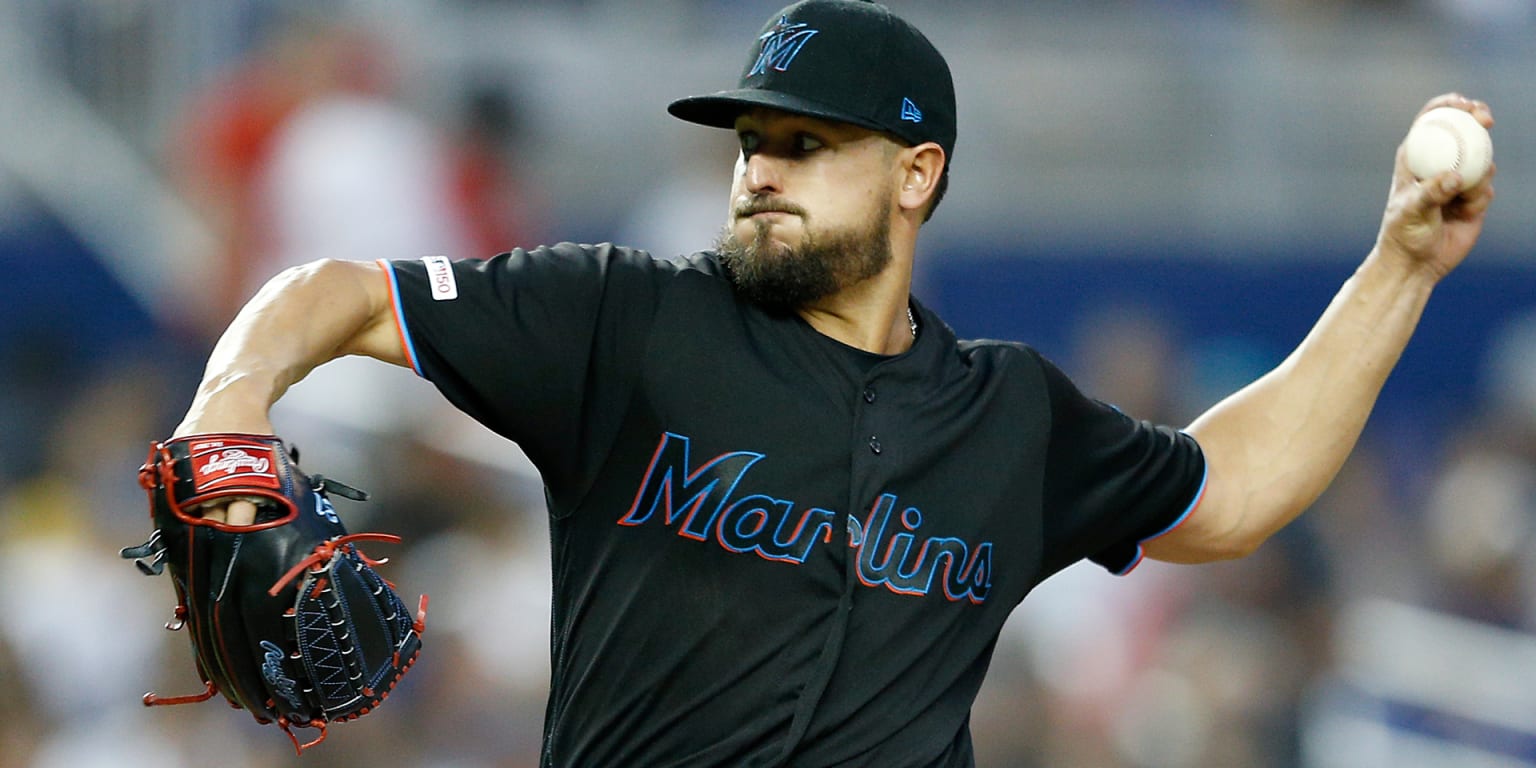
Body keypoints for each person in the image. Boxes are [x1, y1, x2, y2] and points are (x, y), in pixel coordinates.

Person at [170, 1, 1495, 765]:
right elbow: (337, 292)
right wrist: (228, 403)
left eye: (806, 144)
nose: (760, 169)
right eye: (752, 142)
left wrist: (1400, 267)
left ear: (917, 174)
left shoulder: (1011, 415)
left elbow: (1236, 489)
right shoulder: (629, 318)